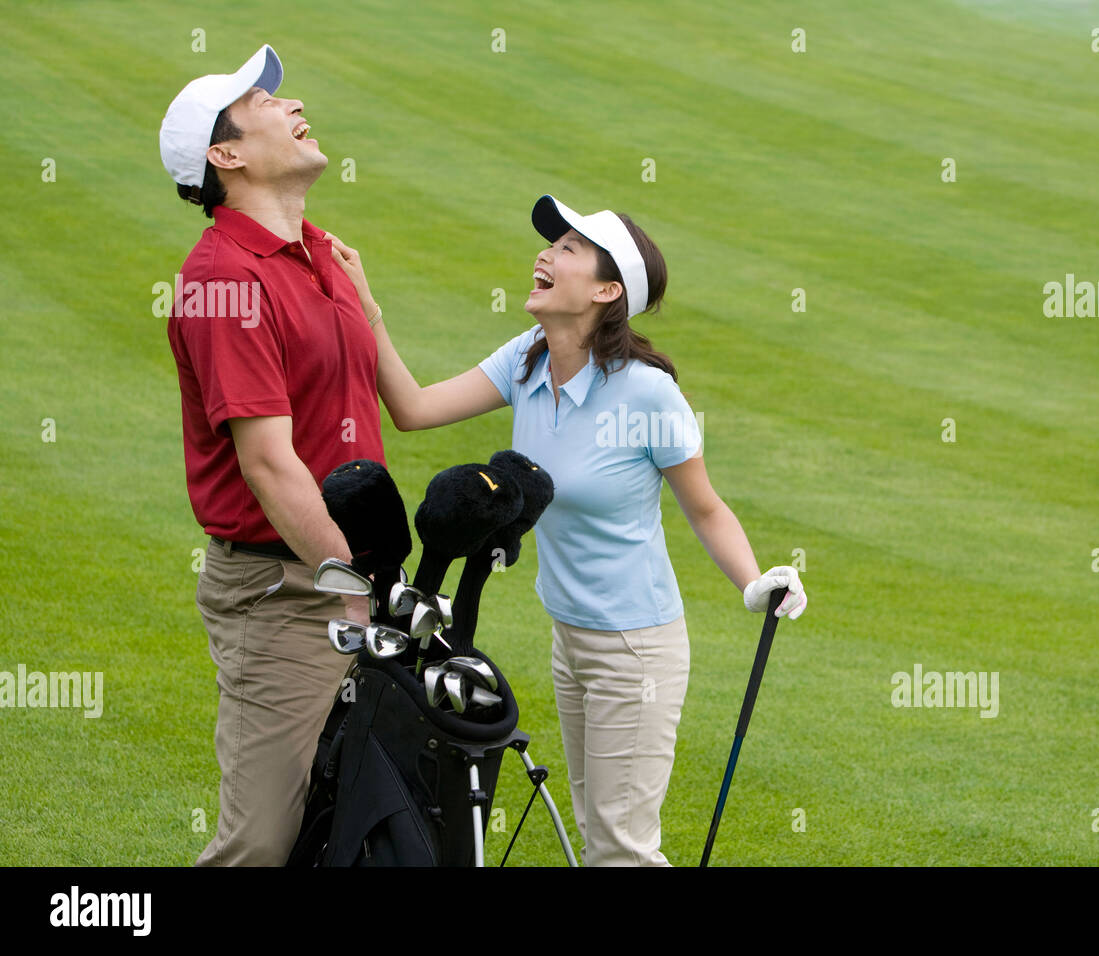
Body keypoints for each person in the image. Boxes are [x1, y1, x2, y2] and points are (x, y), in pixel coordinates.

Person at [326, 195, 807, 866]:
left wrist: (755, 583)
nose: (545, 255)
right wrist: (365, 305)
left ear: (608, 291)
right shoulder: (528, 359)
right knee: (600, 837)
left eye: (568, 249)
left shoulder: (647, 394)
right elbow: (412, 408)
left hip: (635, 649)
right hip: (570, 638)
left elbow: (705, 508)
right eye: (551, 246)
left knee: (621, 850)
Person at [160, 44, 382, 865]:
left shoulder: (322, 252)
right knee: (260, 844)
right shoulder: (221, 279)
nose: (287, 103)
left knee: (356, 818)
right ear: (227, 155)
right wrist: (352, 586)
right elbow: (269, 465)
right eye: (257, 100)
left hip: (349, 568)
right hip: (284, 591)